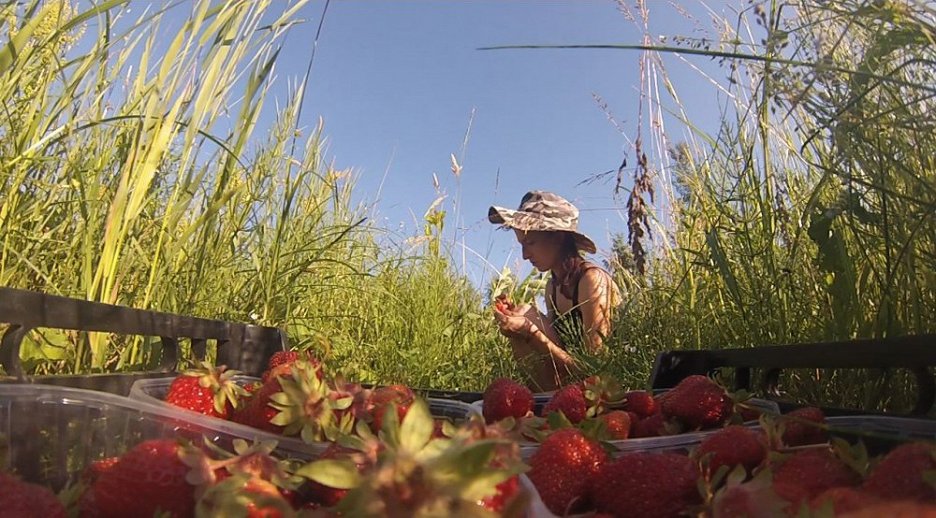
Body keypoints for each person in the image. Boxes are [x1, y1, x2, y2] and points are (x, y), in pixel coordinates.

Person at [488, 190, 622, 391]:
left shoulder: (592, 280)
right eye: (522, 245)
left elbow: (595, 369)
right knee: (521, 312)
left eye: (530, 243)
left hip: (604, 388)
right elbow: (555, 354)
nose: (525, 255)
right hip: (569, 384)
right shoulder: (552, 287)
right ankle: (545, 400)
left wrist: (530, 331)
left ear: (558, 237)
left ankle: (549, 400)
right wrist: (521, 323)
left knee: (525, 320)